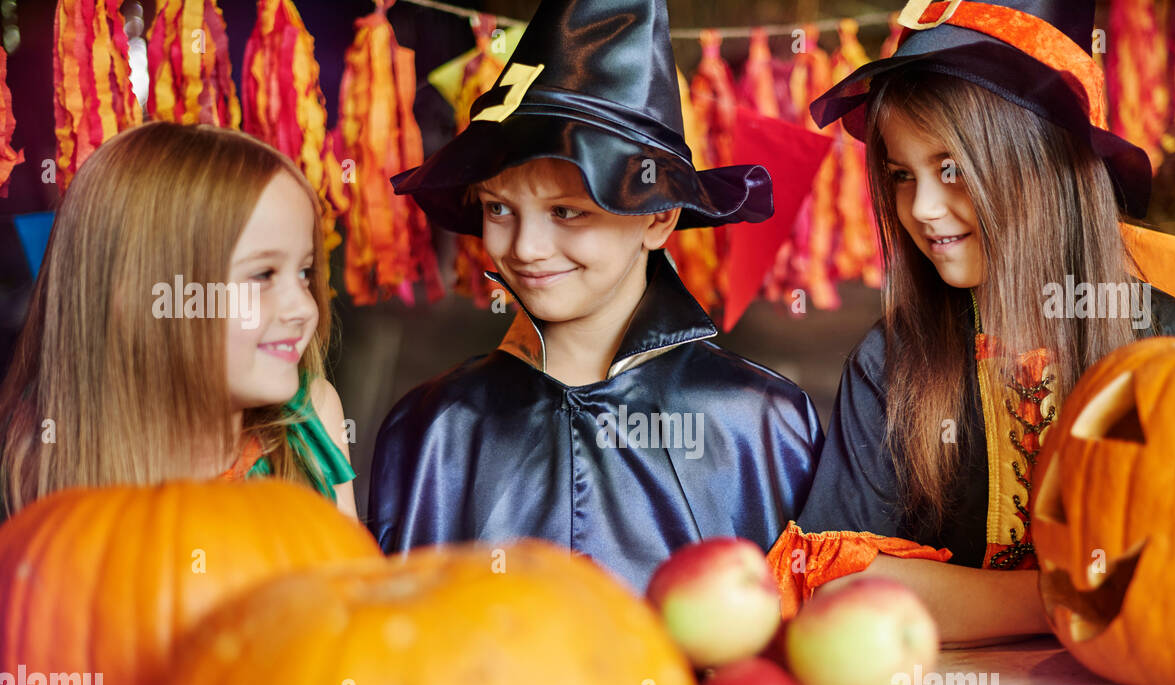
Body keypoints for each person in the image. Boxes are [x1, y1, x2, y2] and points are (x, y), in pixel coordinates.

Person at [770, 0, 1175, 644]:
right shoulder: (891, 361)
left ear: (1046, 165)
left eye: (951, 169)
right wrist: (1070, 600)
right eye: (900, 174)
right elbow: (845, 590)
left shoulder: (1169, 343)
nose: (921, 208)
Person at [370, 0, 823, 592]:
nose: (528, 247)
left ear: (658, 217)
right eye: (499, 208)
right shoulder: (432, 429)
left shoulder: (762, 424)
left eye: (567, 211)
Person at [0, 121, 357, 519]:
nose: (305, 308)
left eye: (304, 272)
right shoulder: (49, 446)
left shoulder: (311, 420)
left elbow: (353, 577)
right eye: (262, 275)